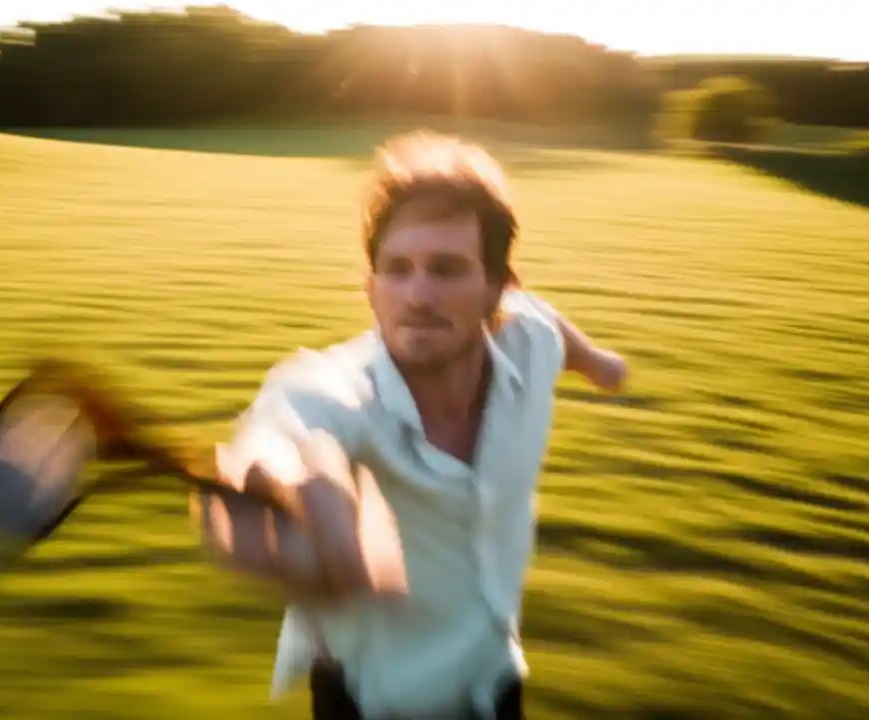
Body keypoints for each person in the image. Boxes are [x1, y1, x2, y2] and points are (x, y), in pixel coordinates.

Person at [193, 130, 627, 719]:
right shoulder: (333, 389)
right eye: (397, 269)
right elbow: (287, 430)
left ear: (497, 290)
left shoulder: (529, 340)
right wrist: (276, 475)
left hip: (494, 680)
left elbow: (547, 323)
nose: (418, 295)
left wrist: (599, 364)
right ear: (370, 289)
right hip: (370, 702)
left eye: (447, 269)